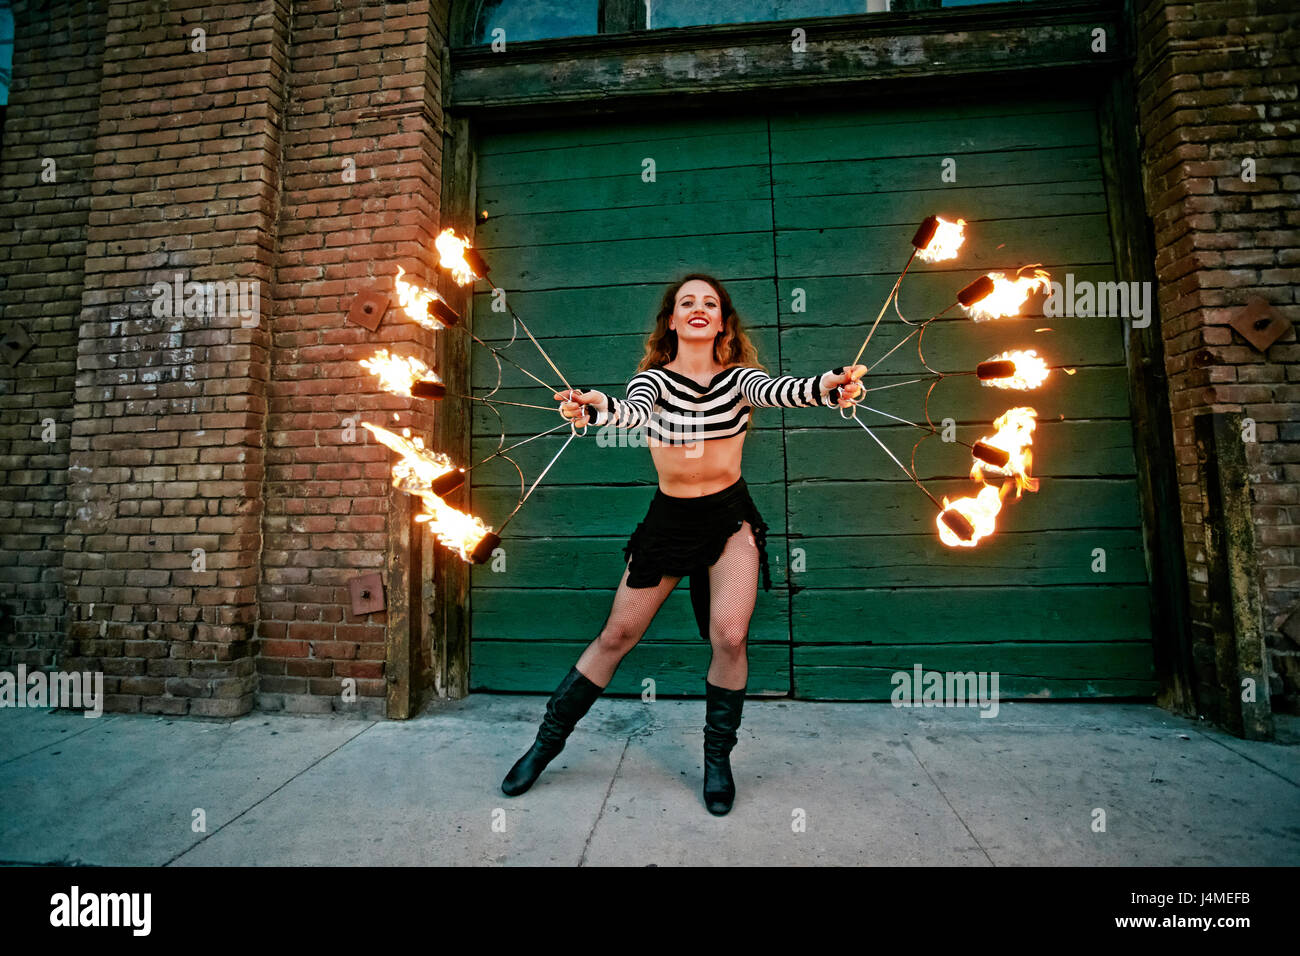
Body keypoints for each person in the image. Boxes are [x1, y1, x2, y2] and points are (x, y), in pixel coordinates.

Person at [500, 273, 865, 815]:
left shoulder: (741, 380)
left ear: (722, 322)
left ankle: (717, 761)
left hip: (729, 518)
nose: (698, 308)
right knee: (617, 633)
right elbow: (631, 411)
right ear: (671, 320)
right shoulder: (653, 382)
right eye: (686, 302)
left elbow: (789, 390)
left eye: (710, 303)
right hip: (669, 522)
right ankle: (543, 746)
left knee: (730, 636)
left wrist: (831, 384)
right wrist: (597, 408)